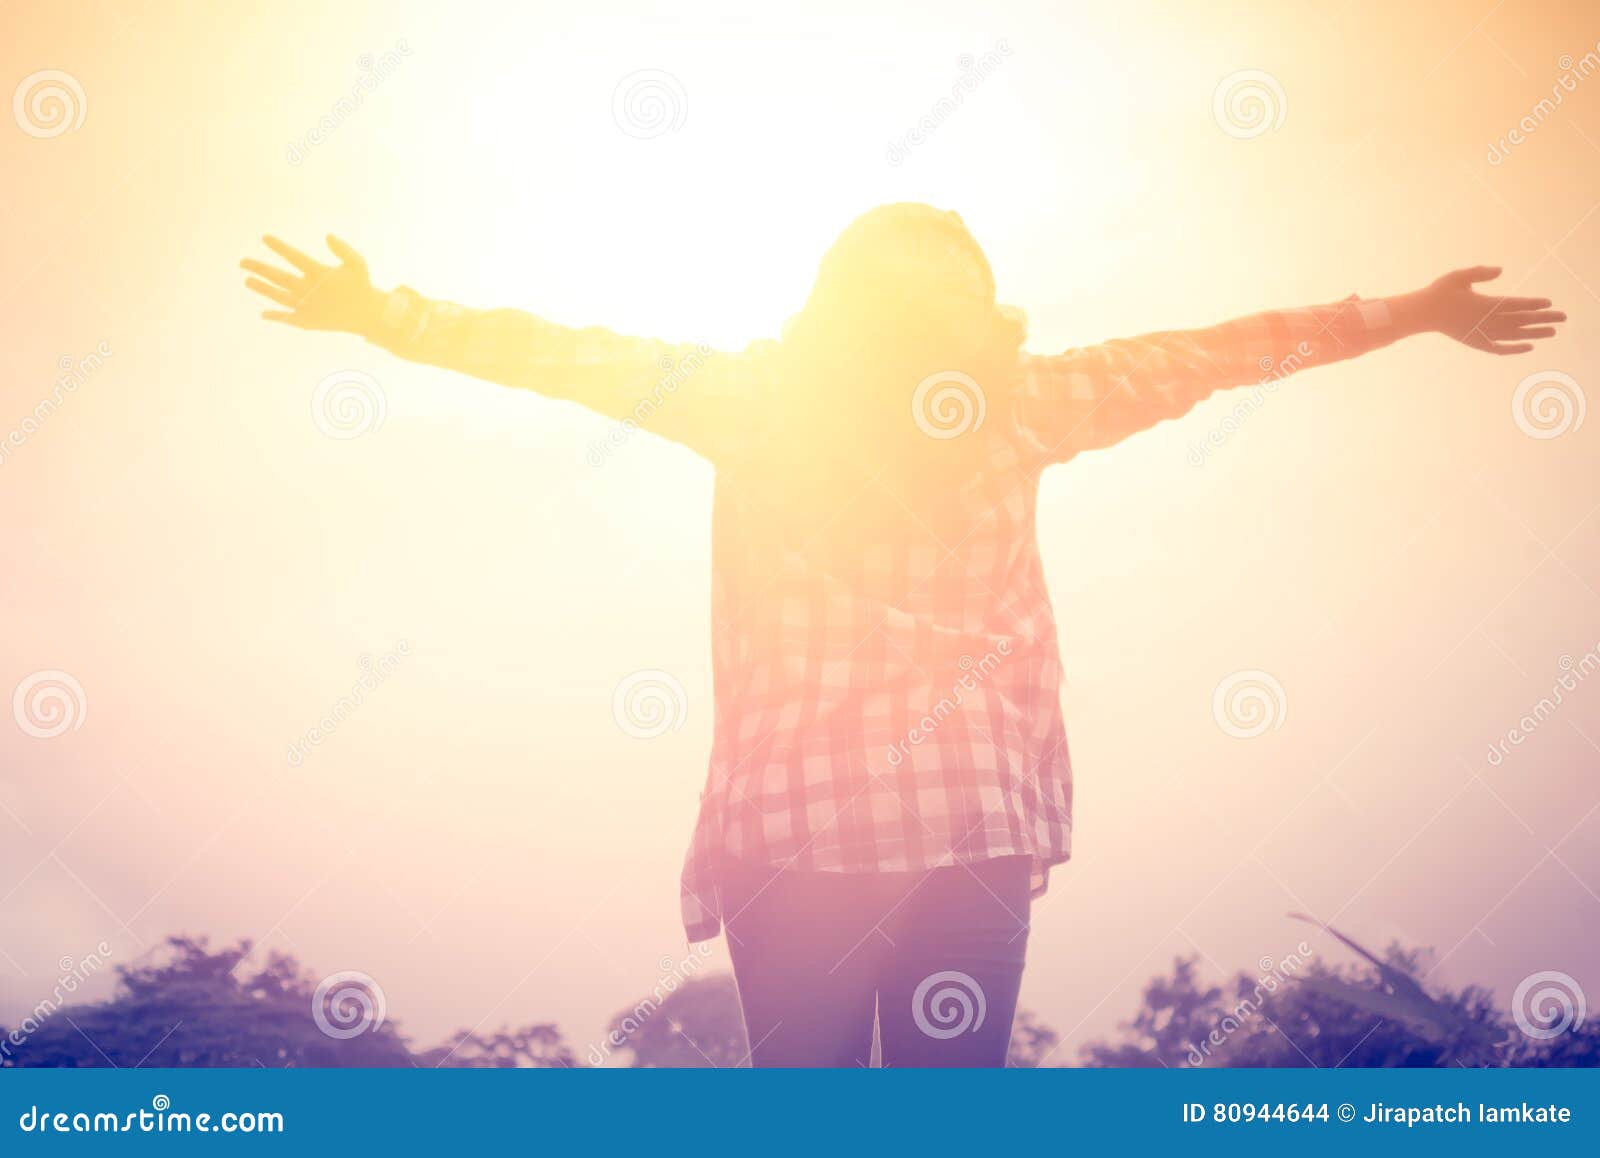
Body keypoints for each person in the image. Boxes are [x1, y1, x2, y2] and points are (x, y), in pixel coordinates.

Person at [242, 203, 1564, 1067]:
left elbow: (558, 354)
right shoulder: (986, 402)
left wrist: (388, 317)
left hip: (865, 825)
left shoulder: (791, 400)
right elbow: (1215, 353)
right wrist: (1410, 312)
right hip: (915, 824)